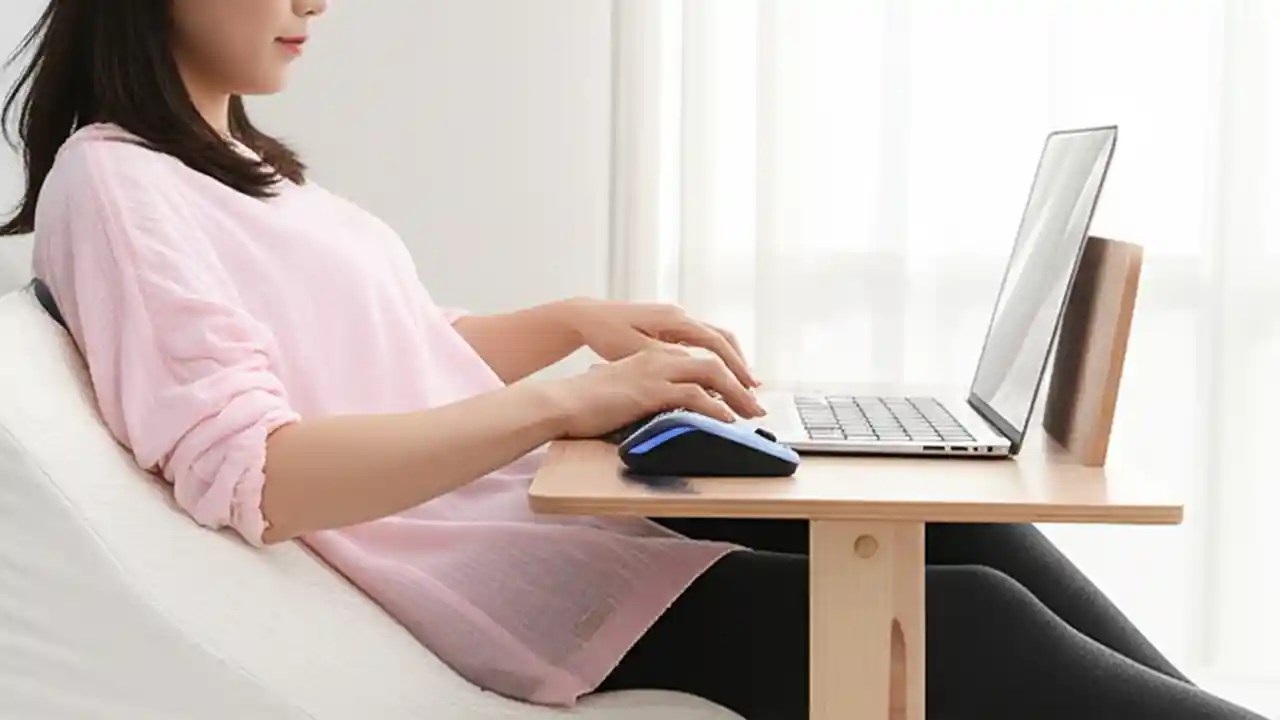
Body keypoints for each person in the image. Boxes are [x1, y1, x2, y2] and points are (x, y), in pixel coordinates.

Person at [0, 2, 1264, 718]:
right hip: (518, 578)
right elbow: (262, 474)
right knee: (967, 620)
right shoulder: (117, 184)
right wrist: (563, 401)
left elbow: (384, 353)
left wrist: (575, 321)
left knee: (960, 524)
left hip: (548, 520)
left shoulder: (239, 169)